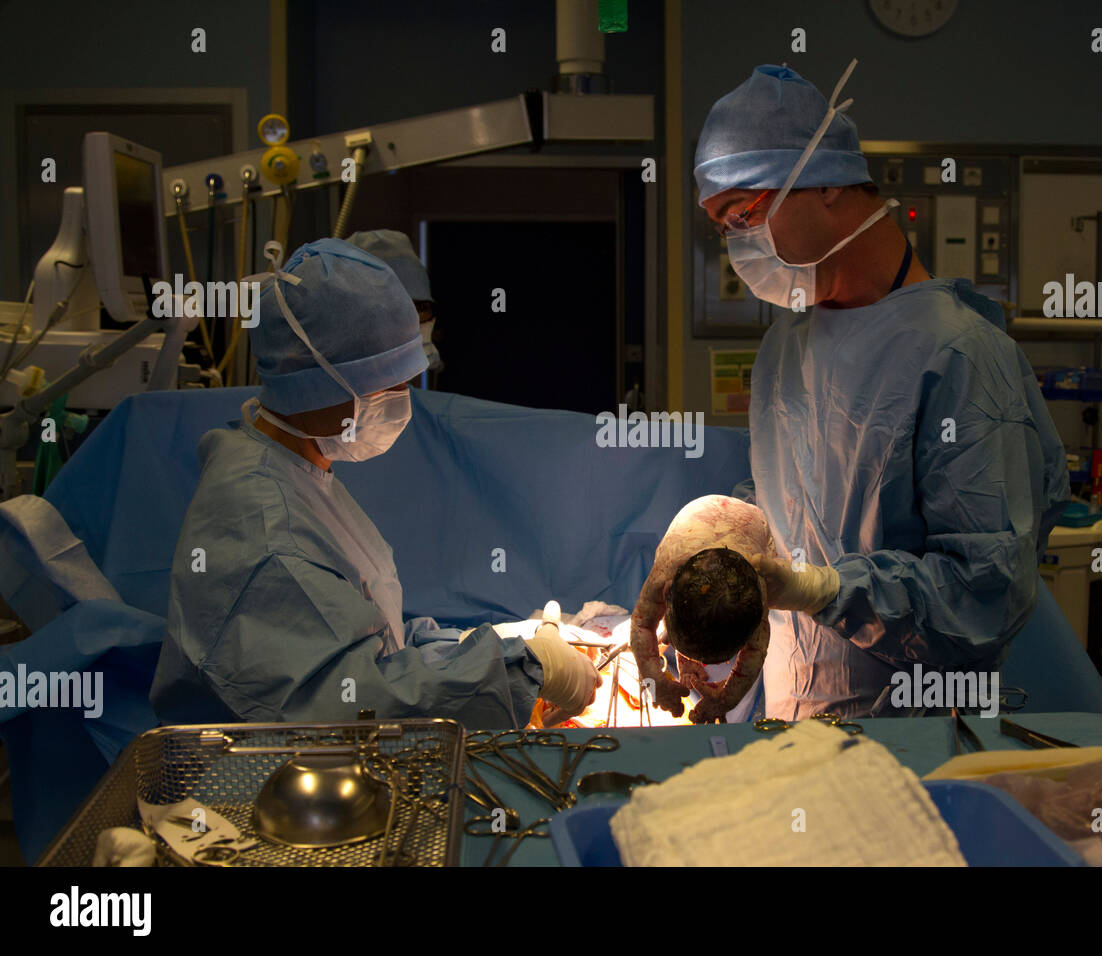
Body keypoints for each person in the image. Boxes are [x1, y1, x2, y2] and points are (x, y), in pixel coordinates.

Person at [694, 62, 1070, 719]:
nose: (736, 244)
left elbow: (984, 592)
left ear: (829, 183)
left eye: (744, 214)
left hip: (920, 738)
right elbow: (799, 506)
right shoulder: (785, 348)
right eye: (722, 227)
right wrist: (735, 539)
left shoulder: (960, 356)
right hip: (796, 719)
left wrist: (824, 589)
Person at [151, 238, 597, 725]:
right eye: (390, 384)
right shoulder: (266, 532)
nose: (402, 401)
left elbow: (371, 638)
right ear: (319, 379)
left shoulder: (296, 471)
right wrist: (516, 672)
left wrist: (495, 648)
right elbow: (350, 708)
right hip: (263, 788)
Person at [632, 494, 777, 723]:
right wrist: (654, 683)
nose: (710, 666)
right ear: (667, 593)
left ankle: (686, 646)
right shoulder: (666, 571)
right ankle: (686, 655)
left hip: (753, 524)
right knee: (692, 607)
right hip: (695, 521)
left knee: (695, 609)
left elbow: (755, 651)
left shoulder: (759, 584)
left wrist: (725, 698)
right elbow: (640, 624)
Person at [346, 229, 443, 383]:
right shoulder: (323, 399)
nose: (413, 321)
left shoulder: (436, 406)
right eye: (397, 310)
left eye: (421, 309)